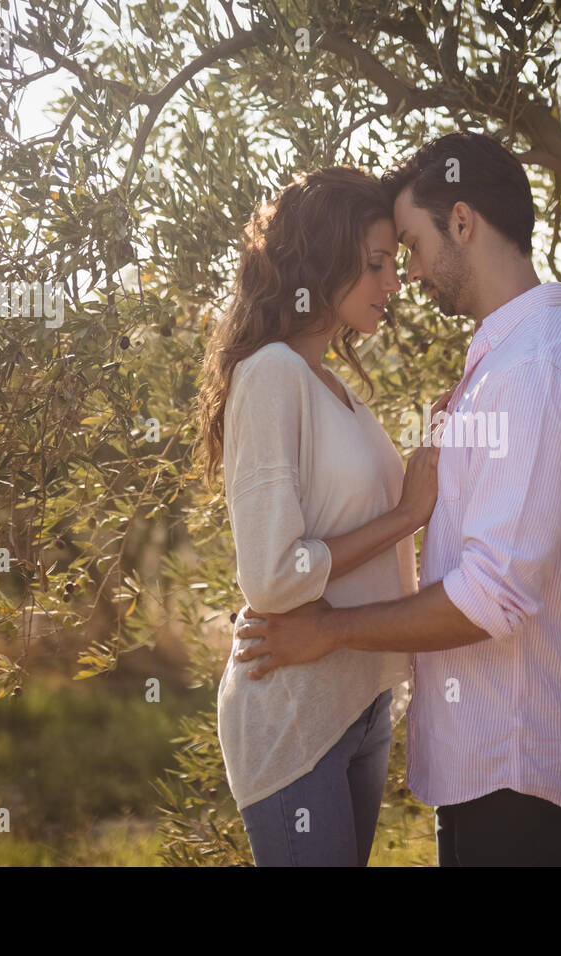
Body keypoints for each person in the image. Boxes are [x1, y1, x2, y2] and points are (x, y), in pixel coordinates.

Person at [234, 133, 561, 867]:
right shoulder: (506, 364)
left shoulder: (534, 368)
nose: (408, 274)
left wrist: (332, 630)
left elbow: (493, 595)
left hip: (512, 772)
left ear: (464, 223)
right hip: (493, 771)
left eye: (410, 246)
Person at [194, 165, 445, 866]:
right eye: (374, 266)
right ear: (322, 262)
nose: (392, 285)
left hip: (360, 704)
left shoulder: (334, 387)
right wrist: (406, 516)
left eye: (393, 265)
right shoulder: (272, 375)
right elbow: (274, 579)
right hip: (294, 715)